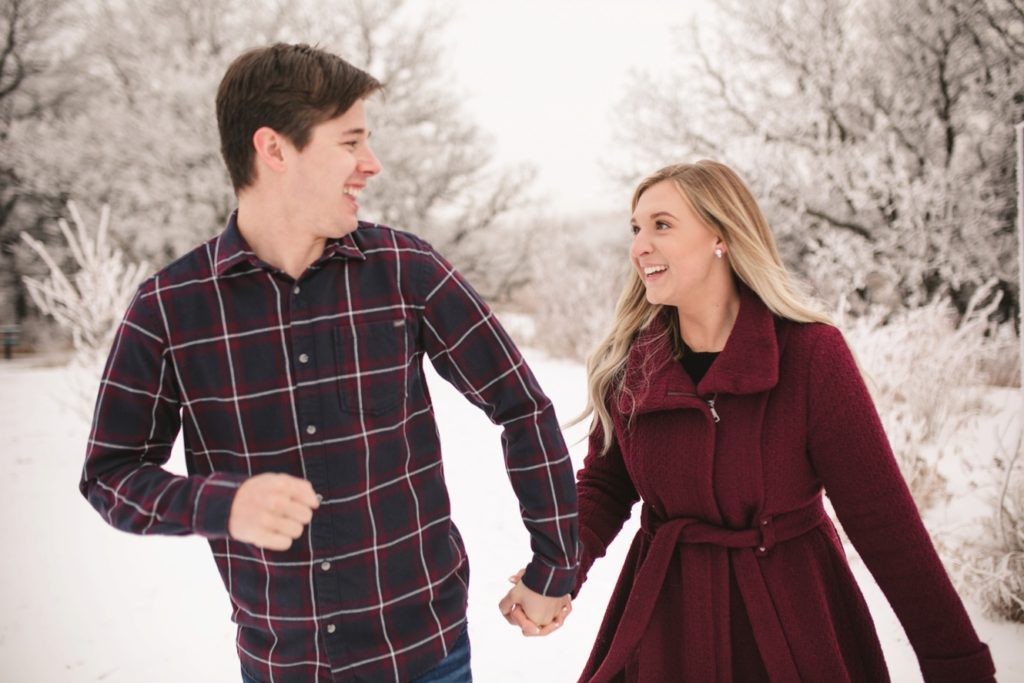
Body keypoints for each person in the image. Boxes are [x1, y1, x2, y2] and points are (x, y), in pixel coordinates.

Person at [78, 43, 578, 683]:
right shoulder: (170, 309)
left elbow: (522, 407)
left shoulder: (406, 271)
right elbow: (110, 473)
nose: (372, 164)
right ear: (275, 150)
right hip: (282, 665)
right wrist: (220, 504)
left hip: (428, 657)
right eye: (350, 142)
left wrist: (554, 566)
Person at [559, 160, 996, 681]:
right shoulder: (629, 364)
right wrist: (557, 574)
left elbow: (885, 521)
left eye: (662, 225)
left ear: (720, 236)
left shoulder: (810, 355)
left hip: (792, 627)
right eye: (635, 228)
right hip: (665, 628)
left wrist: (957, 665)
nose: (639, 246)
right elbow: (606, 488)